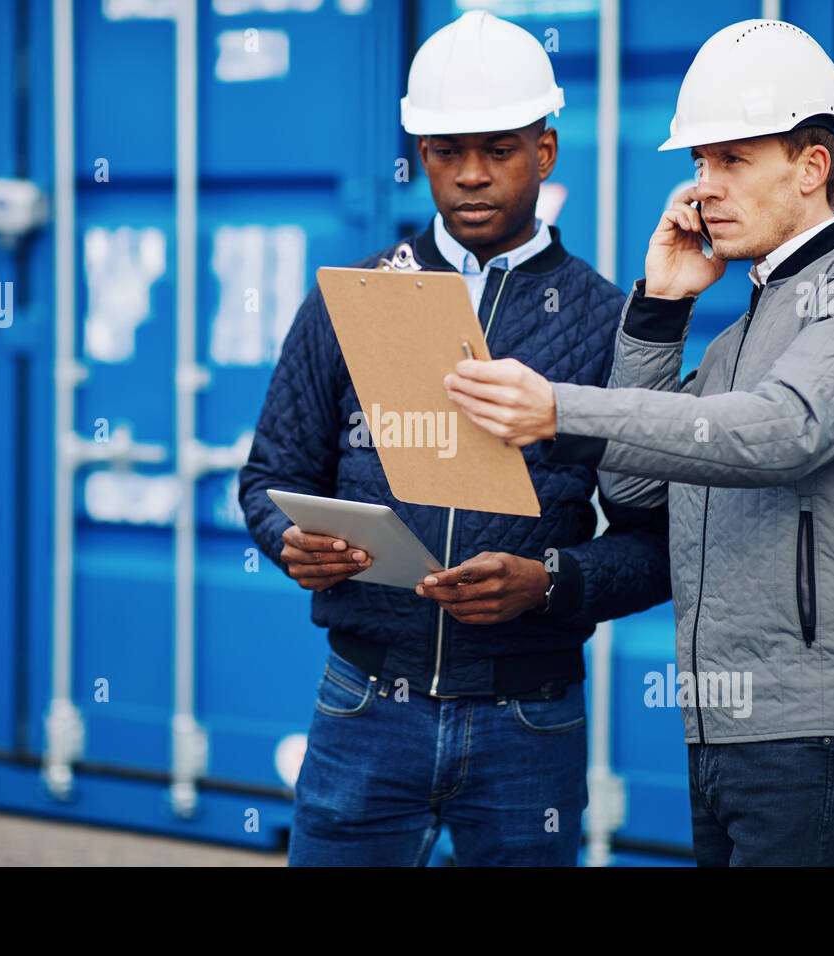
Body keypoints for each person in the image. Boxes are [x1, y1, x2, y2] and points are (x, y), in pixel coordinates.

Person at [444, 18, 834, 866]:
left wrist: (561, 412)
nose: (703, 187)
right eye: (697, 163)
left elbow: (782, 431)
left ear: (812, 167)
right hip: (726, 727)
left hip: (826, 723)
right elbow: (643, 495)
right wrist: (659, 311)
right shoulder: (734, 340)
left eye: (731, 160)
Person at [238, 10, 671, 866]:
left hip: (527, 724)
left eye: (499, 150)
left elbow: (659, 546)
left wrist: (550, 582)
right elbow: (267, 476)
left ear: (545, 152)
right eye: (445, 151)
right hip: (363, 707)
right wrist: (291, 540)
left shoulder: (610, 328)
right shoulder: (349, 299)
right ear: (420, 155)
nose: (471, 176)